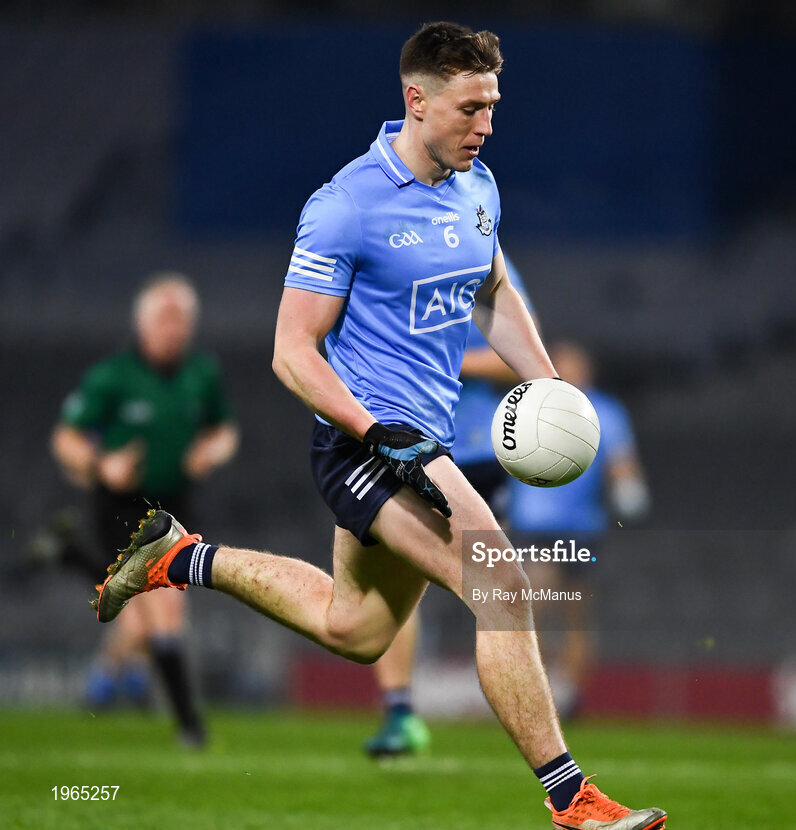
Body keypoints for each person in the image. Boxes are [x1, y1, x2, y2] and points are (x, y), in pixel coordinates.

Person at [91, 23, 666, 829]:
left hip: (426, 441)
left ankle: (184, 556)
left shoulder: (478, 189)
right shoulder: (345, 205)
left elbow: (492, 293)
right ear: (416, 99)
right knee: (500, 583)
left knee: (355, 630)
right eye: (471, 107)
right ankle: (572, 799)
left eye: (494, 105)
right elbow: (291, 354)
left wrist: (548, 384)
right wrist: (372, 428)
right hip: (366, 444)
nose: (487, 124)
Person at [51, 272, 239, 745]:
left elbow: (224, 430)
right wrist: (101, 463)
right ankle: (189, 724)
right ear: (143, 324)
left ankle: (109, 673)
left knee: (141, 611)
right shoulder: (112, 376)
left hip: (175, 504)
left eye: (182, 320)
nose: (174, 329)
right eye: (164, 319)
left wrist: (211, 451)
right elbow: (66, 438)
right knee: (166, 602)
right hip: (120, 505)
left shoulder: (202, 373)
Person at [362, 258, 529, 758]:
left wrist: (447, 364)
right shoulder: (382, 259)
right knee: (394, 582)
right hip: (405, 446)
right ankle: (399, 713)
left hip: (477, 452)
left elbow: (515, 356)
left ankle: (517, 712)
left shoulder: (484, 260)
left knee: (494, 588)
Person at [509, 340, 650, 720]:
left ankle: (568, 695)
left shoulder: (606, 411)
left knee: (576, 616)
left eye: (576, 367)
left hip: (582, 529)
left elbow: (621, 462)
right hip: (534, 525)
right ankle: (535, 693)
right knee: (533, 607)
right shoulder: (527, 405)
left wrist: (627, 487)